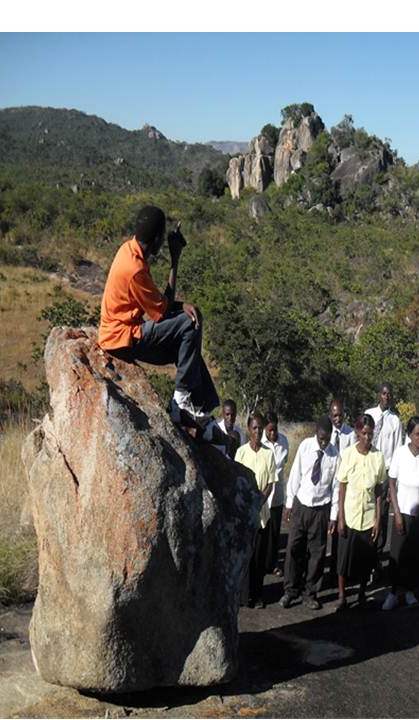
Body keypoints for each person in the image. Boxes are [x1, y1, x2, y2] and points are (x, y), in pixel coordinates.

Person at [98, 205, 219, 437]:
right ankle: (180, 400)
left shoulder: (130, 250)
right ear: (155, 239)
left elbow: (158, 304)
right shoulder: (135, 268)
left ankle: (201, 408)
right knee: (190, 321)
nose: (163, 241)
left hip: (124, 332)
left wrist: (177, 305)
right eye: (162, 237)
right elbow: (161, 311)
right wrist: (175, 259)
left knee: (186, 348)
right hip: (122, 338)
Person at [279, 417, 340, 610]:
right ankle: (290, 590)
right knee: (294, 548)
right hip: (301, 506)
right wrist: (289, 504)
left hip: (321, 510)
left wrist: (333, 516)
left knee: (317, 553)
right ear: (316, 434)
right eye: (321, 438)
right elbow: (295, 475)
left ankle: (311, 592)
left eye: (327, 439)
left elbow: (336, 487)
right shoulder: (305, 447)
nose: (324, 443)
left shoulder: (334, 455)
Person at [335, 413, 387, 611]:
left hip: (368, 516)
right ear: (357, 432)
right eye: (364, 433)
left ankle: (362, 592)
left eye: (370, 434)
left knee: (366, 559)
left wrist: (378, 519)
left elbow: (380, 490)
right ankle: (341, 596)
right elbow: (342, 487)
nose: (367, 437)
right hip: (350, 514)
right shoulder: (348, 454)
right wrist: (340, 517)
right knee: (343, 558)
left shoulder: (378, 456)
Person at [383, 416, 419, 610]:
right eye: (417, 434)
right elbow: (392, 482)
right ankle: (393, 593)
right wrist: (396, 513)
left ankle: (410, 591)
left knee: (415, 555)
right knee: (398, 554)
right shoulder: (400, 454)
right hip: (402, 513)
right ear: (409, 435)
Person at [234, 412, 277, 609]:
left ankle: (258, 595)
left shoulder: (269, 454)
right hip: (244, 514)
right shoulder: (241, 453)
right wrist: (247, 503)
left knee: (259, 557)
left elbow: (270, 482)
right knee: (245, 557)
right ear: (248, 430)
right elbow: (237, 480)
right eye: (254, 428)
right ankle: (244, 596)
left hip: (260, 514)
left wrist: (260, 500)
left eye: (260, 428)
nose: (257, 432)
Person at [365, 383, 405, 555]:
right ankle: (364, 550)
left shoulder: (395, 421)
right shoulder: (369, 414)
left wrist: (392, 483)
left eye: (389, 394)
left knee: (382, 513)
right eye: (384, 393)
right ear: (379, 394)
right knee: (366, 507)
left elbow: (397, 452)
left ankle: (378, 552)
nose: (386, 397)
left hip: (386, 471)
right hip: (367, 466)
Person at [327, 399, 356, 584]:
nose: (338, 419)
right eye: (335, 415)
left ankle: (338, 570)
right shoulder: (326, 433)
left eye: (340, 415)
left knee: (340, 527)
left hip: (343, 485)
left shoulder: (350, 434)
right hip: (327, 485)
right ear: (330, 415)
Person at [262, 411, 289, 578]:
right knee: (262, 531)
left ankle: (271, 564)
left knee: (274, 532)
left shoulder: (284, 441)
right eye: (269, 430)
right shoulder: (261, 443)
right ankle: (260, 563)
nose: (272, 433)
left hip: (277, 494)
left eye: (274, 430)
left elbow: (283, 464)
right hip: (263, 493)